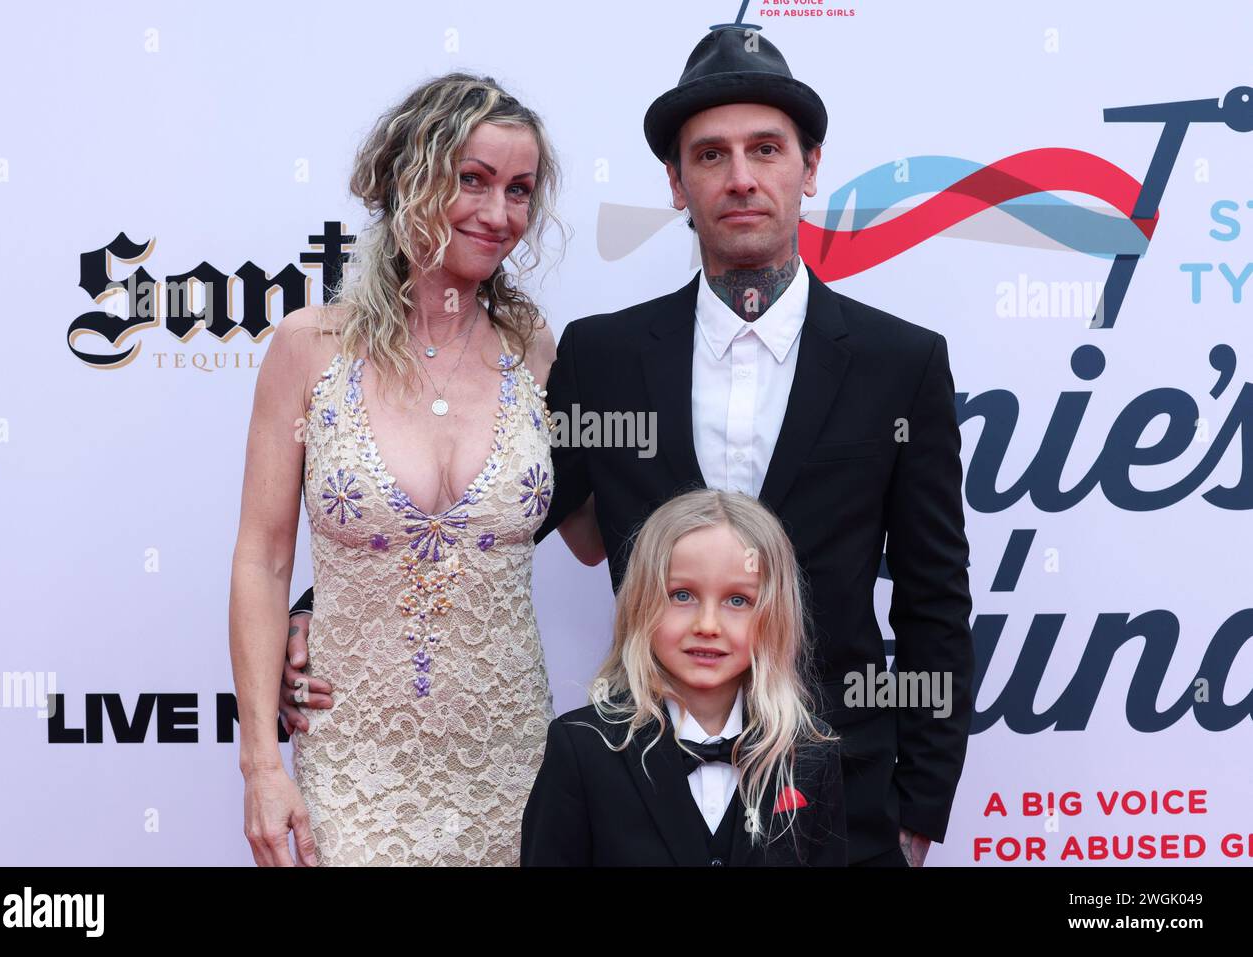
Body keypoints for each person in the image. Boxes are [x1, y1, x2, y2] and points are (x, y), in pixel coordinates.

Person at [285, 25, 974, 867]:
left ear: (810, 167)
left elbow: (935, 602)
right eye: (711, 156)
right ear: (677, 184)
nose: (742, 177)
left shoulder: (900, 363)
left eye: (766, 149)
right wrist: (321, 603)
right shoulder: (605, 358)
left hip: (838, 795)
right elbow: (504, 507)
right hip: (641, 805)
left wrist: (920, 808)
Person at [229, 72, 603, 867]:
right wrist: (261, 762)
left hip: (511, 758)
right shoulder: (309, 347)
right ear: (409, 179)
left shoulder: (534, 349)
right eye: (472, 179)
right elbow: (263, 559)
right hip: (353, 765)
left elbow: (596, 538)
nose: (498, 213)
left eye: (519, 189)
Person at [520, 489, 846, 866]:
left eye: (737, 600)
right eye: (681, 595)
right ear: (641, 604)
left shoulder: (809, 754)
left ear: (774, 617)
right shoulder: (582, 749)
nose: (707, 625)